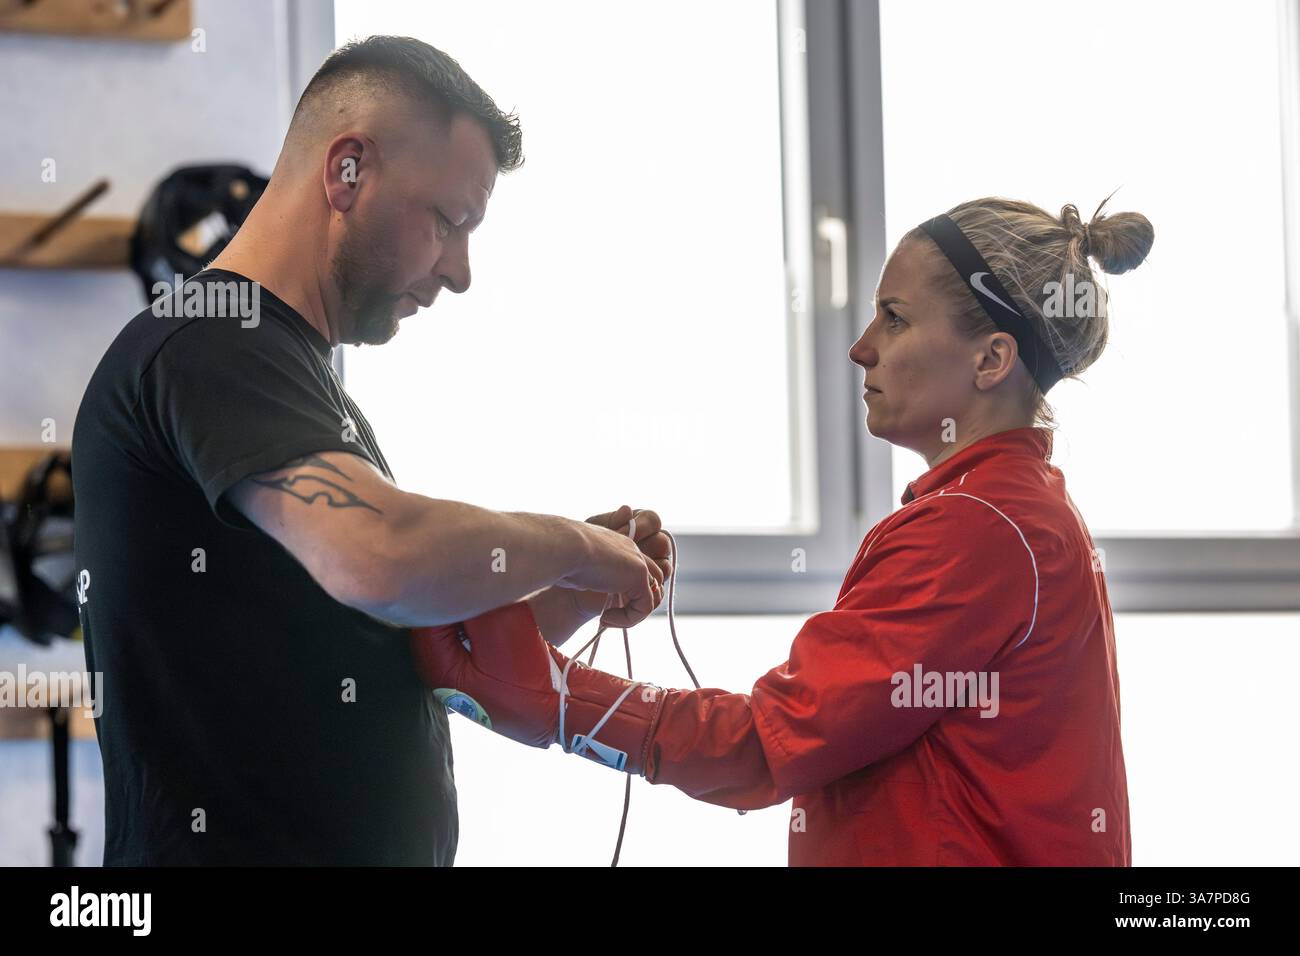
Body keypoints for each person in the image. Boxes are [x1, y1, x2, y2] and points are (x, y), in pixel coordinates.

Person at [411, 196, 1154, 866]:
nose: (863, 347)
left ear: (992, 359)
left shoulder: (979, 529)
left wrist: (558, 699)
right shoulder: (1015, 511)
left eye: (894, 318)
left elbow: (766, 747)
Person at [71, 35, 671, 866]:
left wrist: (564, 589)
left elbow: (387, 655)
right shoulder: (213, 342)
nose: (460, 272)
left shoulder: (290, 376)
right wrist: (572, 543)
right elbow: (382, 558)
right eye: (448, 222)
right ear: (346, 169)